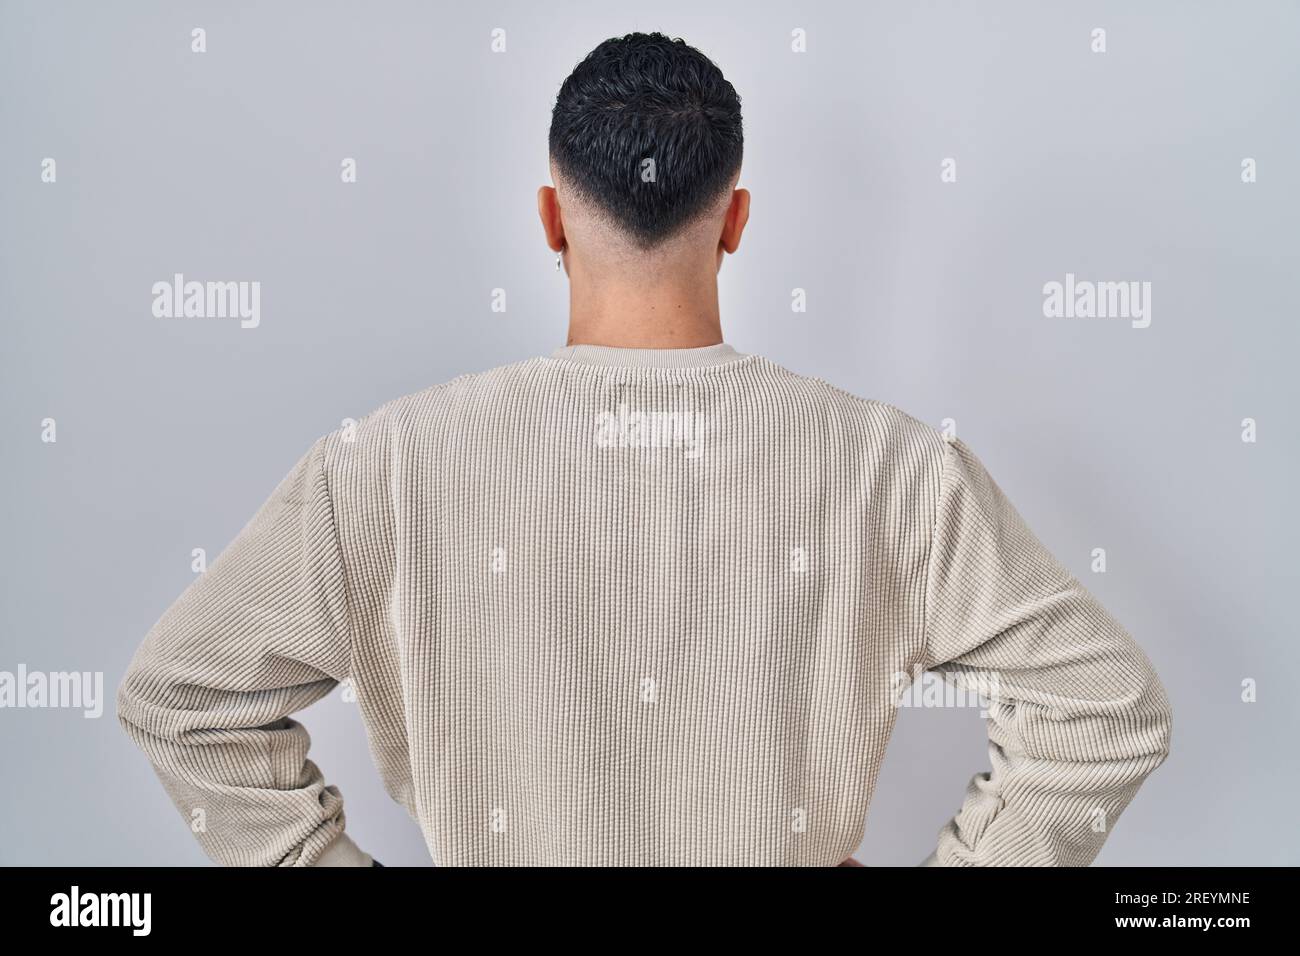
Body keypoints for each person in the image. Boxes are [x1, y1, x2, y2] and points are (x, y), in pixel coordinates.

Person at [116, 32, 1173, 867]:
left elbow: (181, 696)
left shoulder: (386, 464)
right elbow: (1102, 711)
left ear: (548, 218)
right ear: (736, 220)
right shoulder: (888, 469)